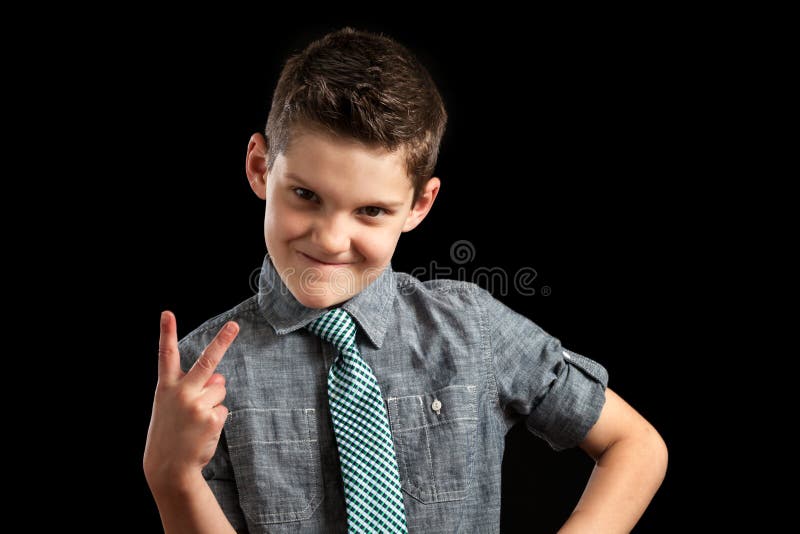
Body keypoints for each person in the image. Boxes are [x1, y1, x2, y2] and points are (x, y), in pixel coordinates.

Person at [143, 27, 667, 533]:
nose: (330, 239)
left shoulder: (472, 329)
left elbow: (635, 446)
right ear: (260, 168)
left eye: (370, 210)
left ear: (419, 205)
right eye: (305, 195)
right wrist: (174, 477)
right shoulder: (199, 375)